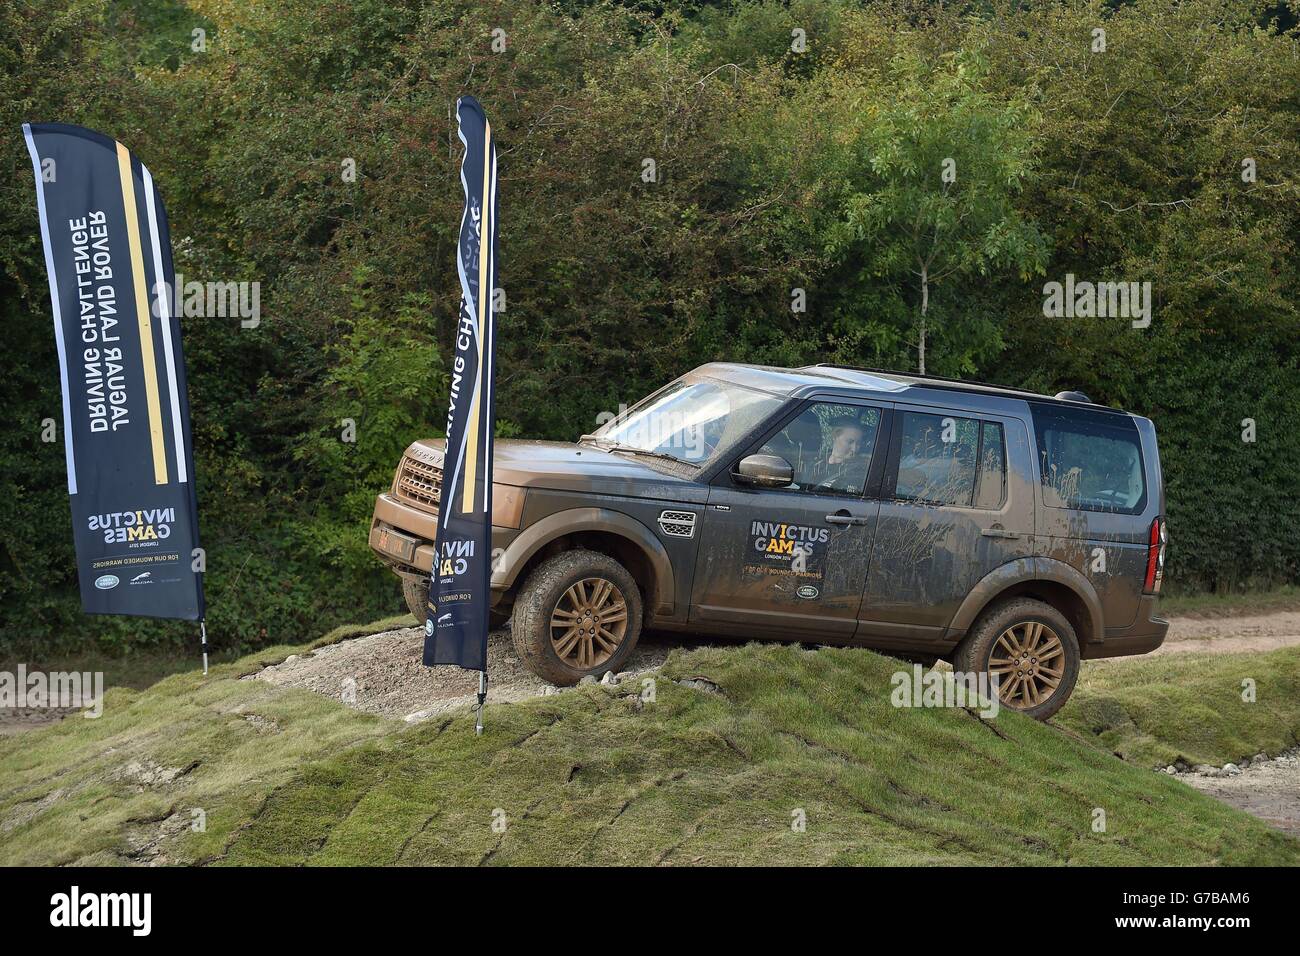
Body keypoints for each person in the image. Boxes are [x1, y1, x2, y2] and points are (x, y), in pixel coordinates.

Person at [803, 417, 872, 492]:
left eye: (858, 443)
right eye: (850, 442)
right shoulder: (816, 463)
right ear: (835, 436)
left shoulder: (859, 472)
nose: (855, 449)